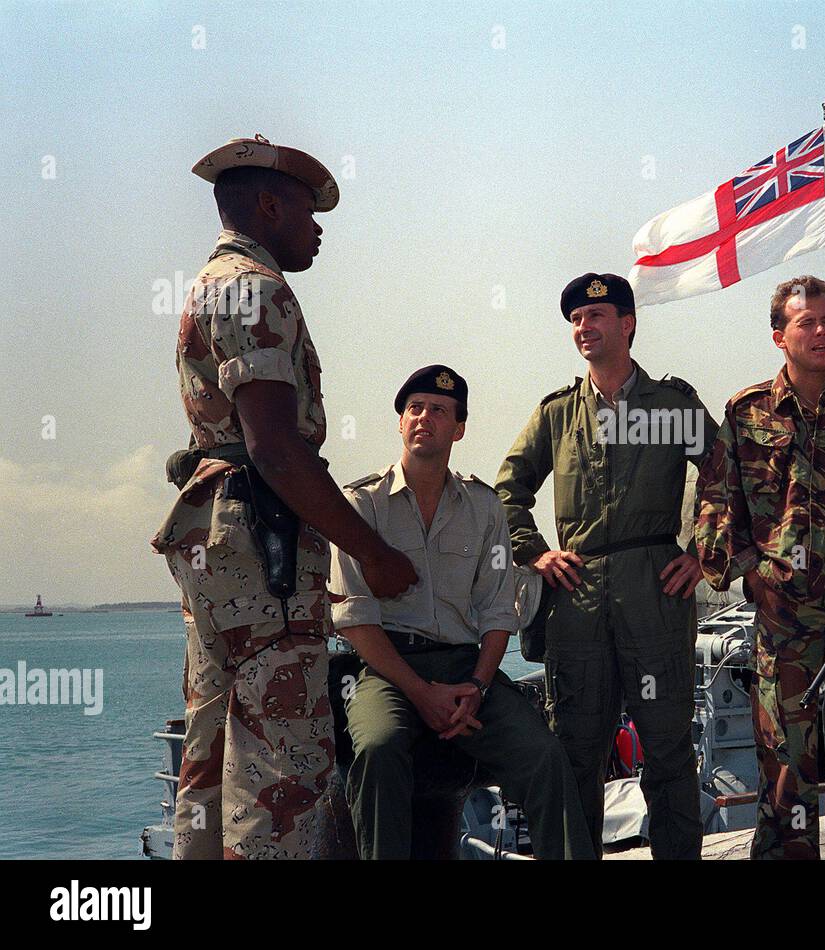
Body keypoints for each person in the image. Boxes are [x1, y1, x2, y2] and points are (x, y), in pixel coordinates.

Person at [151, 134, 417, 859]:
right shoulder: (256, 288)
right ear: (269, 206)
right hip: (261, 549)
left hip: (222, 541)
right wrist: (373, 552)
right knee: (283, 767)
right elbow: (274, 447)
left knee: (210, 751)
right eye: (307, 209)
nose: (318, 227)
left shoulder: (210, 282)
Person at [494, 272, 718, 860]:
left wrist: (703, 552)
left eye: (595, 317)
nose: (583, 328)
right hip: (578, 598)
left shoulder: (671, 404)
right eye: (575, 321)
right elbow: (507, 490)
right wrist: (533, 551)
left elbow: (728, 478)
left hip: (656, 593)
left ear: (627, 324)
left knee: (668, 750)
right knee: (575, 752)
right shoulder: (557, 415)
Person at [330, 365, 594, 860]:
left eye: (438, 410)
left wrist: (476, 686)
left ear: (459, 428)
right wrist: (421, 694)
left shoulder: (483, 506)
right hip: (389, 670)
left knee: (544, 756)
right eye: (414, 408)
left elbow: (498, 611)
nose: (424, 417)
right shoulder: (361, 505)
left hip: (465, 667)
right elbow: (357, 620)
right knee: (378, 751)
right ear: (400, 422)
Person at [696, 275, 825, 859]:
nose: (820, 332)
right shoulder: (744, 413)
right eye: (805, 322)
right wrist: (745, 569)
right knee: (785, 777)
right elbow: (715, 505)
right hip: (785, 628)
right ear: (778, 336)